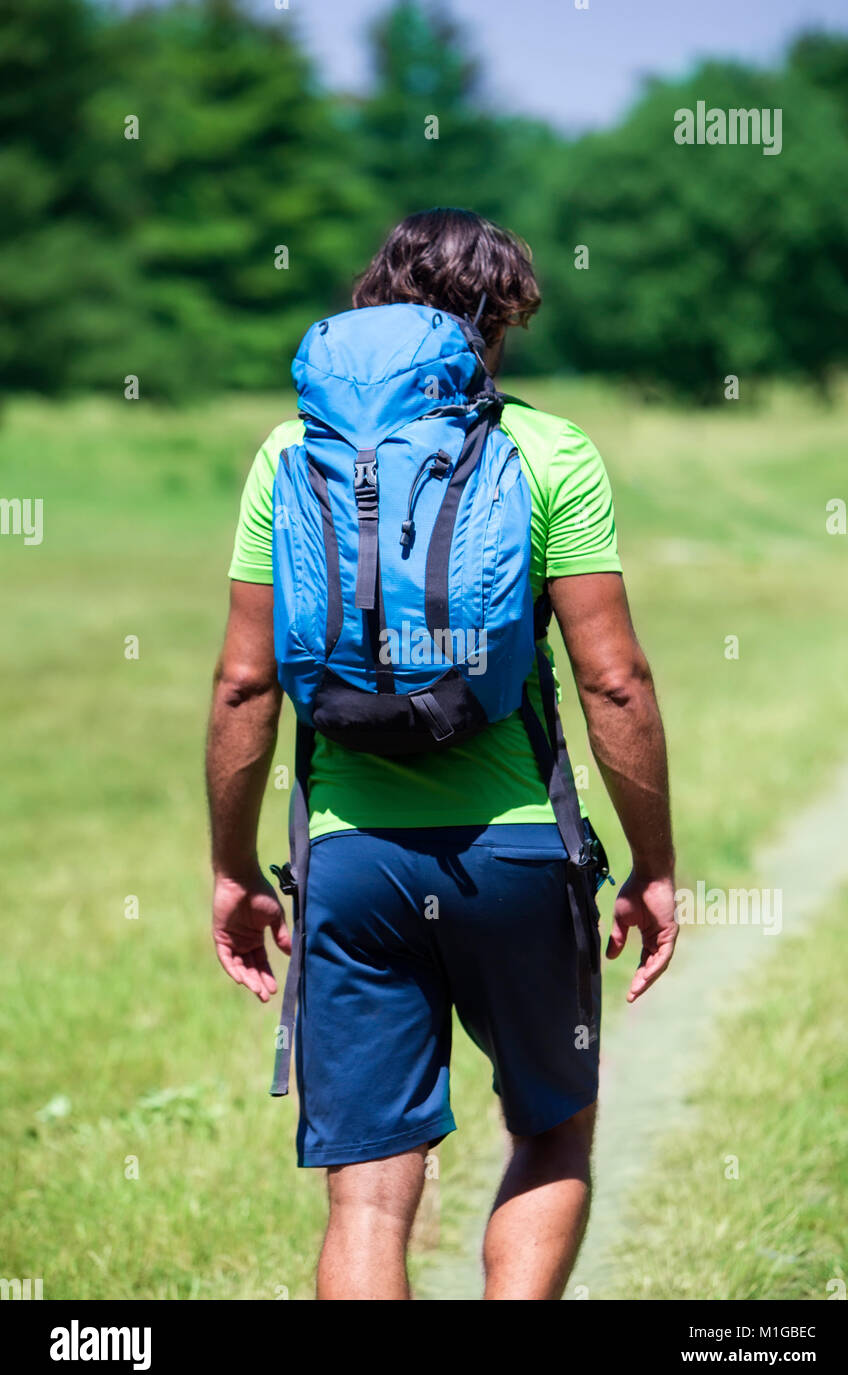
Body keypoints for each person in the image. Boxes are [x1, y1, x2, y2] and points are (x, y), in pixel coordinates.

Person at [206, 208, 678, 1301]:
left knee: (368, 1191)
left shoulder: (289, 455)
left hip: (351, 863)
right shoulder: (547, 449)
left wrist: (232, 867)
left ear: (372, 295)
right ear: (497, 324)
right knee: (552, 1132)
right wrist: (653, 864)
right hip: (515, 858)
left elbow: (243, 682)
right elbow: (613, 679)